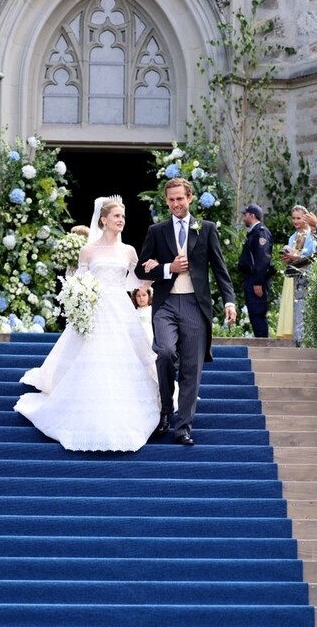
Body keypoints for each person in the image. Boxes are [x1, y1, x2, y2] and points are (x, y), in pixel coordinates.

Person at [15, 197, 159, 451]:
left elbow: (136, 281)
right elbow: (78, 282)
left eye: (123, 217)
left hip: (120, 308)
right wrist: (78, 300)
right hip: (95, 308)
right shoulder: (88, 251)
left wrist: (151, 276)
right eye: (116, 216)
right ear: (103, 220)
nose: (121, 220)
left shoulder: (129, 251)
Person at [135, 177, 237, 446]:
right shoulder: (157, 231)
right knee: (166, 352)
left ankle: (183, 427)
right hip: (166, 304)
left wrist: (229, 301)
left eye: (180, 199)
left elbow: (220, 269)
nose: (175, 204)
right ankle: (166, 409)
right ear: (166, 201)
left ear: (190, 198)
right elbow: (139, 270)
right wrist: (168, 268)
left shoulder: (206, 229)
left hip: (195, 304)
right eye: (171, 200)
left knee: (192, 367)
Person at [277, 204, 317, 339]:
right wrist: (287, 258)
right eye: (293, 218)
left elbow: (310, 256)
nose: (295, 221)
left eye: (299, 218)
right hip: (293, 274)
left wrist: (294, 256)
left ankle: (302, 337)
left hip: (306, 273)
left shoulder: (310, 235)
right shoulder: (292, 237)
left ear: (305, 218)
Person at [238, 203, 273, 338]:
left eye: (245, 215)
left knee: (258, 312)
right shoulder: (254, 232)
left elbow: (262, 258)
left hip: (256, 279)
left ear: (252, 215)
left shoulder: (261, 232)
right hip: (251, 278)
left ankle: (263, 347)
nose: (244, 218)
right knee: (254, 312)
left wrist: (258, 282)